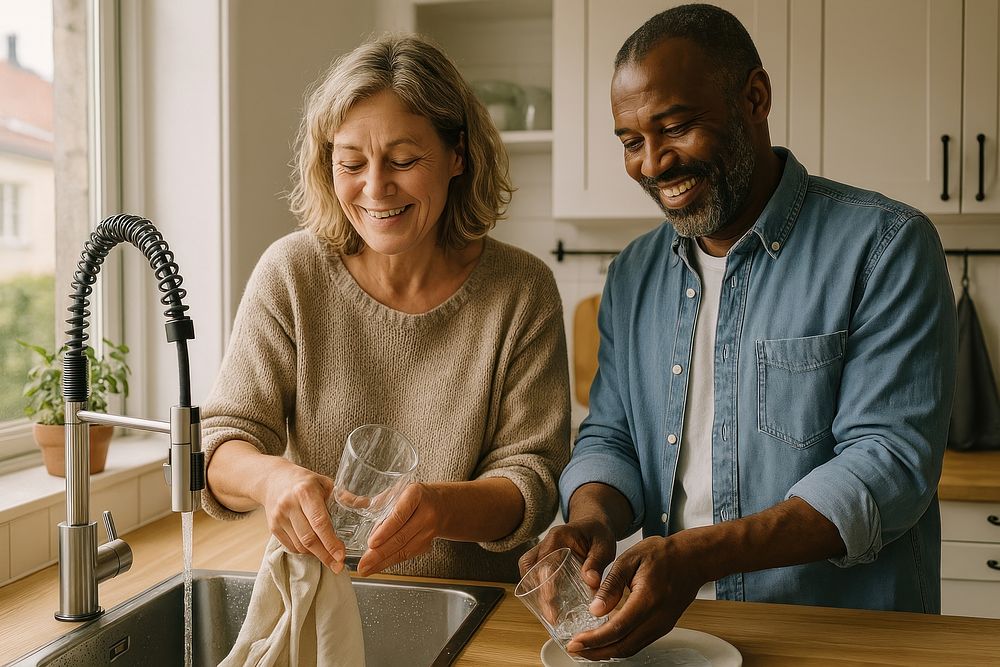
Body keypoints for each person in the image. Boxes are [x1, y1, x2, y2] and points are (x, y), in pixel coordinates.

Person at [520, 3, 958, 660]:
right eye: (630, 141)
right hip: (676, 635)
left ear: (755, 97)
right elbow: (612, 434)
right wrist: (588, 521)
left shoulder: (884, 245)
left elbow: (887, 465)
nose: (653, 163)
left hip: (839, 636)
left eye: (675, 127)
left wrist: (699, 556)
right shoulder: (635, 272)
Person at [201, 33, 570, 584]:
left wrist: (440, 509)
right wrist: (271, 479)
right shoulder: (292, 274)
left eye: (403, 159)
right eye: (351, 163)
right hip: (320, 597)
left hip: (475, 602)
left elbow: (532, 481)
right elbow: (220, 442)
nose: (376, 188)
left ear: (458, 156)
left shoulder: (520, 290)